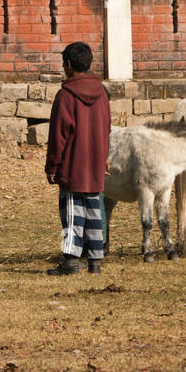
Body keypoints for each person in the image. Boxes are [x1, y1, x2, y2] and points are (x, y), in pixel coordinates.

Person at [45, 42, 111, 275]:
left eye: (64, 65)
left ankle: (71, 260)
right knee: (94, 212)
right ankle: (95, 261)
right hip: (95, 164)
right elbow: (106, 128)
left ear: (69, 65)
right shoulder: (102, 93)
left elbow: (58, 135)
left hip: (73, 165)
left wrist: (52, 165)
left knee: (72, 214)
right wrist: (104, 157)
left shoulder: (65, 96)